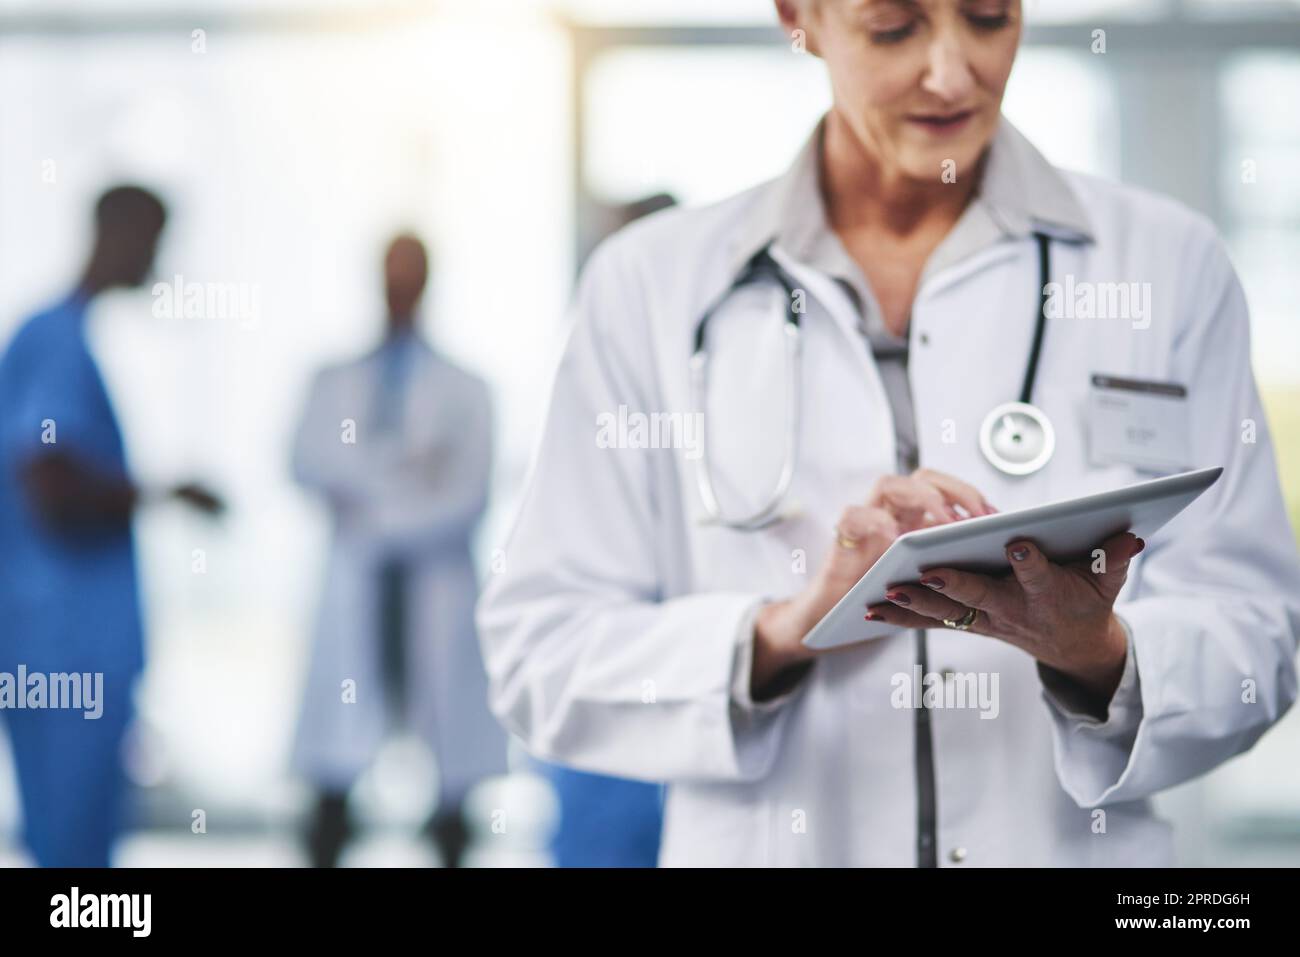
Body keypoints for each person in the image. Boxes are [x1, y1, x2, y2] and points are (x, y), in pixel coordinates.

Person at [477, 0, 1300, 866]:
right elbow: (541, 655)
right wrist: (784, 629)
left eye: (988, 18)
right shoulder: (650, 287)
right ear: (801, 17)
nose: (952, 73)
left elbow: (1260, 634)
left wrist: (1097, 654)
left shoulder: (1166, 264)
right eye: (894, 27)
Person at [0, 185, 223, 867]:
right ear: (118, 231)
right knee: (71, 852)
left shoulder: (67, 339)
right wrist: (162, 492)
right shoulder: (54, 340)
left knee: (78, 845)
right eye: (152, 241)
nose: (156, 260)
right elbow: (49, 482)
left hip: (69, 645)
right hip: (62, 649)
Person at [290, 233, 506, 868]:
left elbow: (467, 496)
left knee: (451, 785)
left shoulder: (468, 388)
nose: (400, 288)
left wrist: (369, 499)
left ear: (429, 281)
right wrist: (411, 476)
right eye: (391, 274)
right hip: (357, 590)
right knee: (334, 776)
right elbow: (306, 464)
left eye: (411, 274)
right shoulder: (332, 381)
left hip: (434, 591)